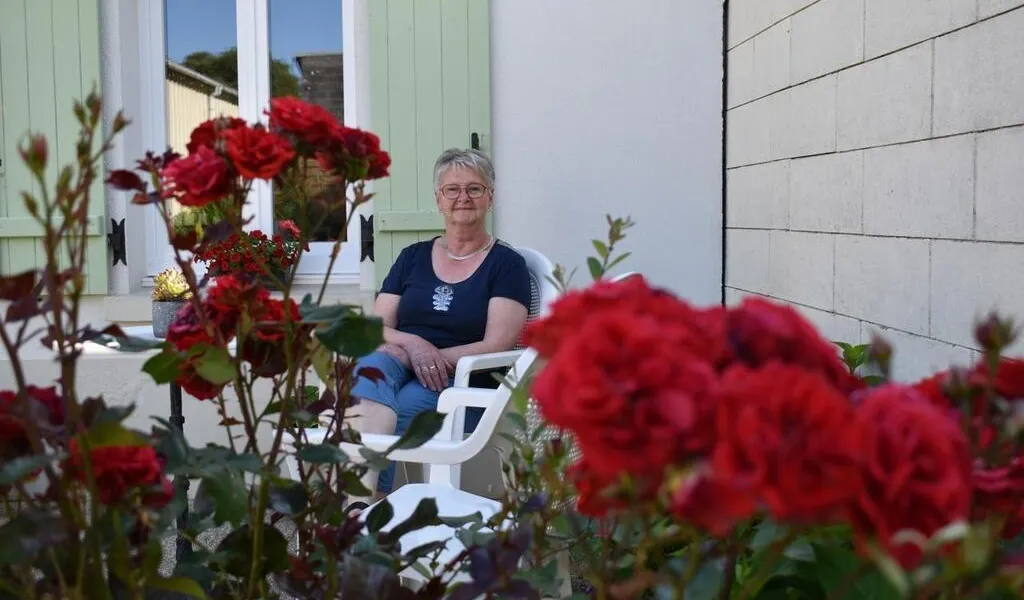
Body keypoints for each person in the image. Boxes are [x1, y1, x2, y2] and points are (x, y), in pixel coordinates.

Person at [346, 148, 531, 509]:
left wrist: (429, 357)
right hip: (401, 358)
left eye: (475, 189)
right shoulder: (411, 257)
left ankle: (369, 506)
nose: (463, 197)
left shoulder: (507, 265)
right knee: (368, 373)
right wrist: (414, 346)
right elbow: (377, 325)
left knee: (400, 406)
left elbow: (499, 343)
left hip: (463, 377)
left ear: (489, 198)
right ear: (438, 200)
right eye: (452, 189)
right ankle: (361, 506)